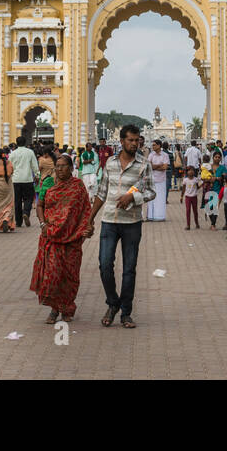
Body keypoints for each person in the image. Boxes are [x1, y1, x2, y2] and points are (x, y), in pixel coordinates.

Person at [89, 124, 156, 328]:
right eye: (131, 140)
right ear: (122, 141)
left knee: (129, 269)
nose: (135, 144)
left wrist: (132, 197)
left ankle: (126, 312)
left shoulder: (144, 165)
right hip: (109, 220)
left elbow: (151, 192)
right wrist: (90, 217)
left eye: (137, 140)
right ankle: (113, 302)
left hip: (132, 223)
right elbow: (101, 192)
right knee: (105, 265)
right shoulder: (109, 163)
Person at [31, 154, 94, 324]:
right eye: (57, 166)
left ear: (72, 168)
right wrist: (43, 223)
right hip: (51, 236)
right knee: (52, 274)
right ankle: (54, 308)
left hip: (72, 238)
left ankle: (67, 308)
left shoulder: (77, 186)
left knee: (70, 276)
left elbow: (85, 210)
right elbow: (40, 205)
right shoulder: (48, 184)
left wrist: (87, 228)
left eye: (64, 166)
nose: (60, 169)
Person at [9, 136, 37, 228]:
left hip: (16, 180)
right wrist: (37, 175)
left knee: (17, 201)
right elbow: (34, 166)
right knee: (28, 199)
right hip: (27, 179)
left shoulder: (13, 154)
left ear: (16, 143)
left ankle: (18, 221)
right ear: (25, 142)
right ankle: (26, 213)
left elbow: (10, 167)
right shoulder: (30, 152)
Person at [146, 140, 169, 221]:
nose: (153, 147)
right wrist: (159, 165)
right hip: (152, 180)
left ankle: (159, 216)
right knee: (151, 199)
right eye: (152, 145)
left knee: (160, 199)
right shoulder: (151, 154)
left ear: (159, 145)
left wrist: (154, 166)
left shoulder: (165, 155)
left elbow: (165, 167)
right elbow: (148, 166)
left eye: (154, 145)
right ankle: (150, 216)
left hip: (161, 180)